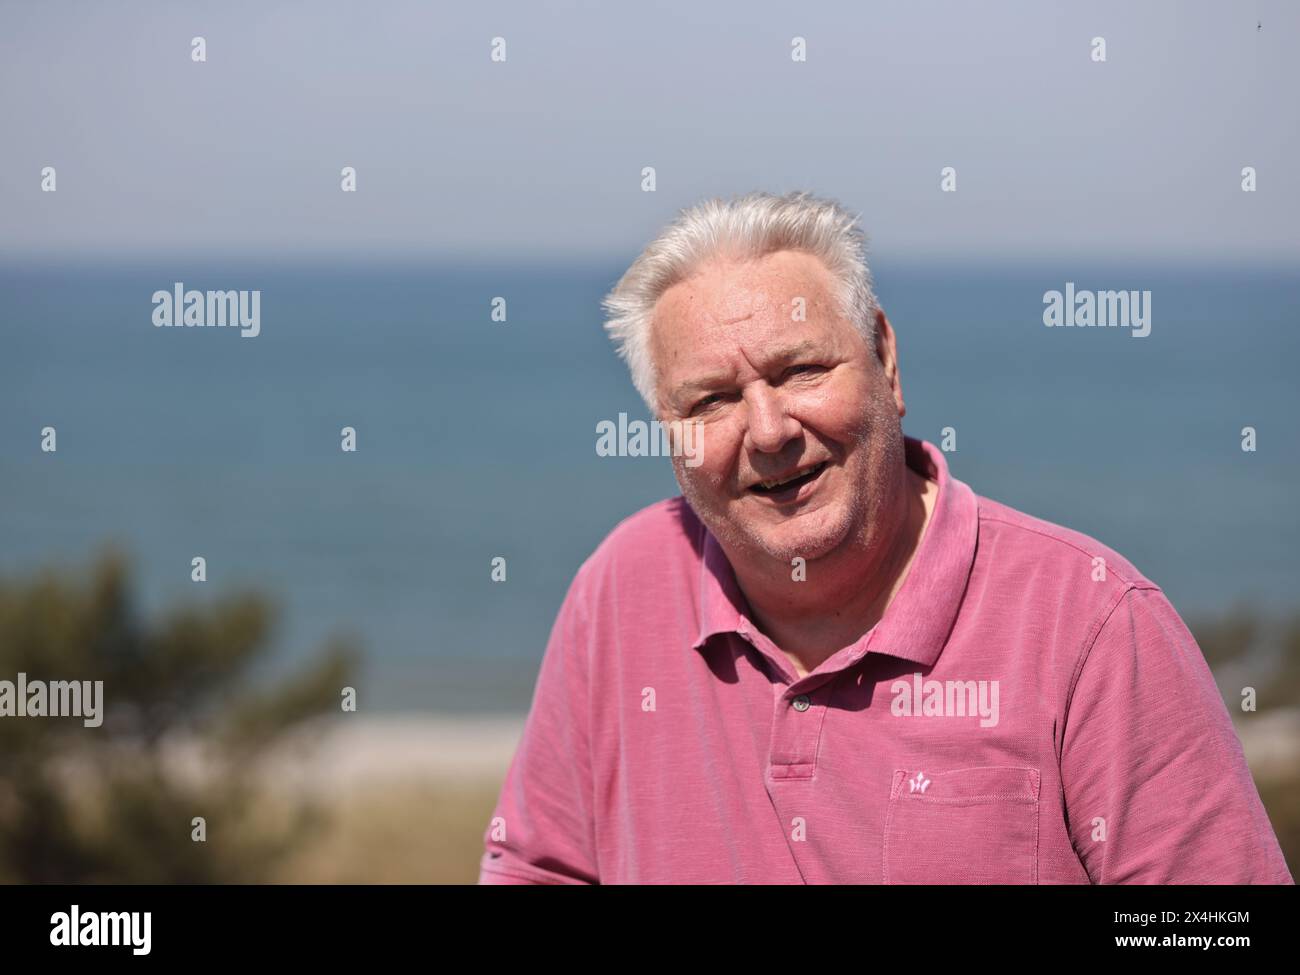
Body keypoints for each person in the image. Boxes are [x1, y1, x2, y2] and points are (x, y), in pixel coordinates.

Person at [477, 189, 1294, 884]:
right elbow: (536, 865)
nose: (767, 431)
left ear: (886, 362)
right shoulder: (623, 587)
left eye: (800, 371)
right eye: (711, 402)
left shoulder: (1093, 625)